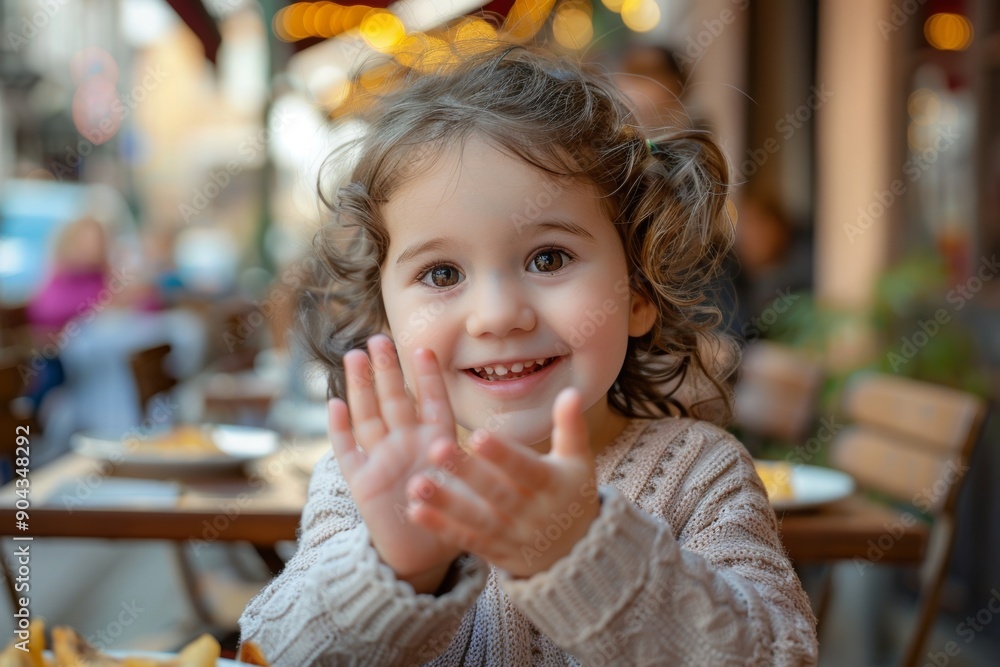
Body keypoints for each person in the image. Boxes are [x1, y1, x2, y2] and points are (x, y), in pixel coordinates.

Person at [239, 42, 818, 666]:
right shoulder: (366, 482)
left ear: (640, 292)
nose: (497, 315)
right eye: (440, 274)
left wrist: (585, 554)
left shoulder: (700, 477)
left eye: (549, 258)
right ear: (385, 316)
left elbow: (776, 656)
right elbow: (269, 653)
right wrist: (393, 569)